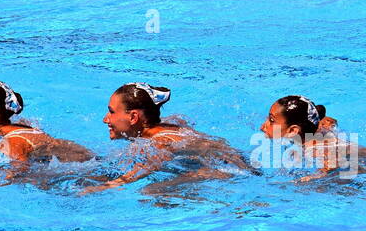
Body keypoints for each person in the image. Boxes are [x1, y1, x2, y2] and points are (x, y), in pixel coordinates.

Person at [82, 82, 254, 193]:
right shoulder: (168, 124)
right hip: (238, 161)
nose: (106, 119)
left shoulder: (158, 142)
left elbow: (140, 171)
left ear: (133, 118)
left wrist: (100, 188)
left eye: (112, 112)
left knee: (151, 192)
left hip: (232, 172)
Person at [0, 80, 93, 196]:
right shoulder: (23, 125)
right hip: (89, 165)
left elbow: (17, 176)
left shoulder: (10, 142)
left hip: (85, 179)